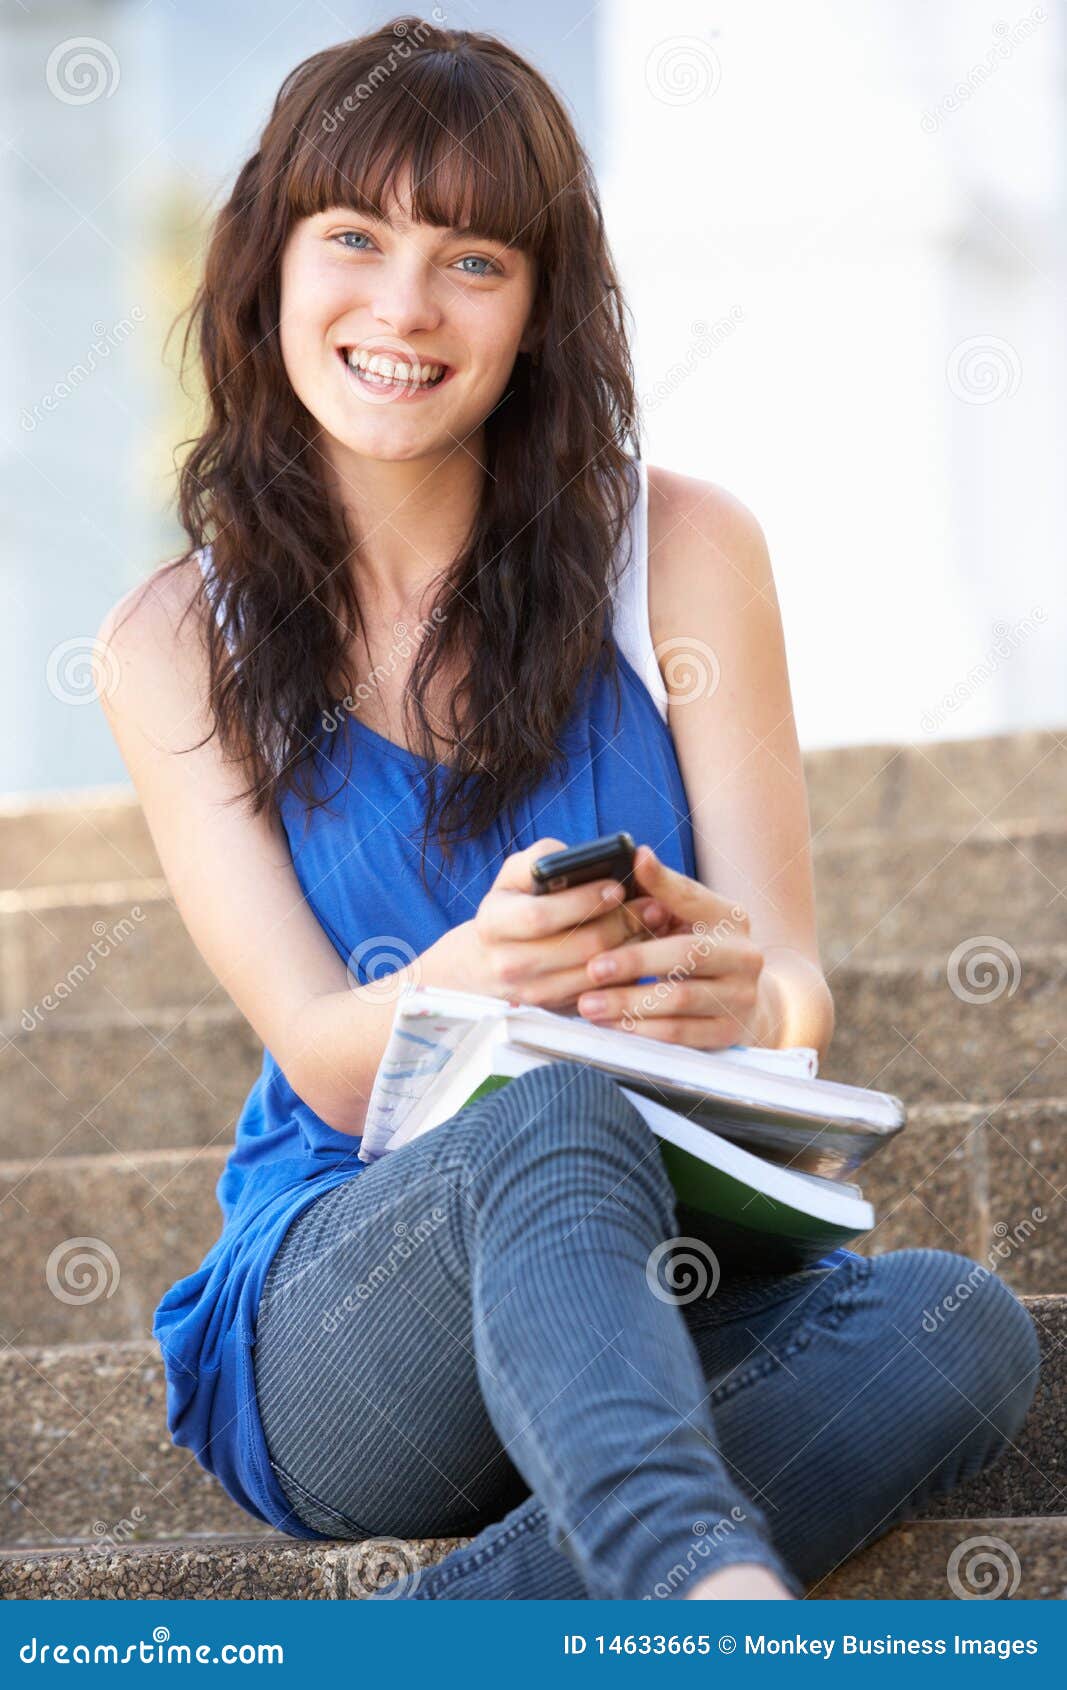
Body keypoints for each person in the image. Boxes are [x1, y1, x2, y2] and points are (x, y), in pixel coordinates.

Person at [97, 17, 1039, 1602]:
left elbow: (796, 990)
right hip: (354, 1306)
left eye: (472, 259)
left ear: (537, 310)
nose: (403, 306)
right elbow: (326, 1052)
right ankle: (696, 1588)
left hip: (661, 1271)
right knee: (548, 1106)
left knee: (964, 1324)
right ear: (268, 261)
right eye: (355, 236)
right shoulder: (175, 641)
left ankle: (454, 1638)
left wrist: (745, 991)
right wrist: (464, 987)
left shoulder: (681, 554)